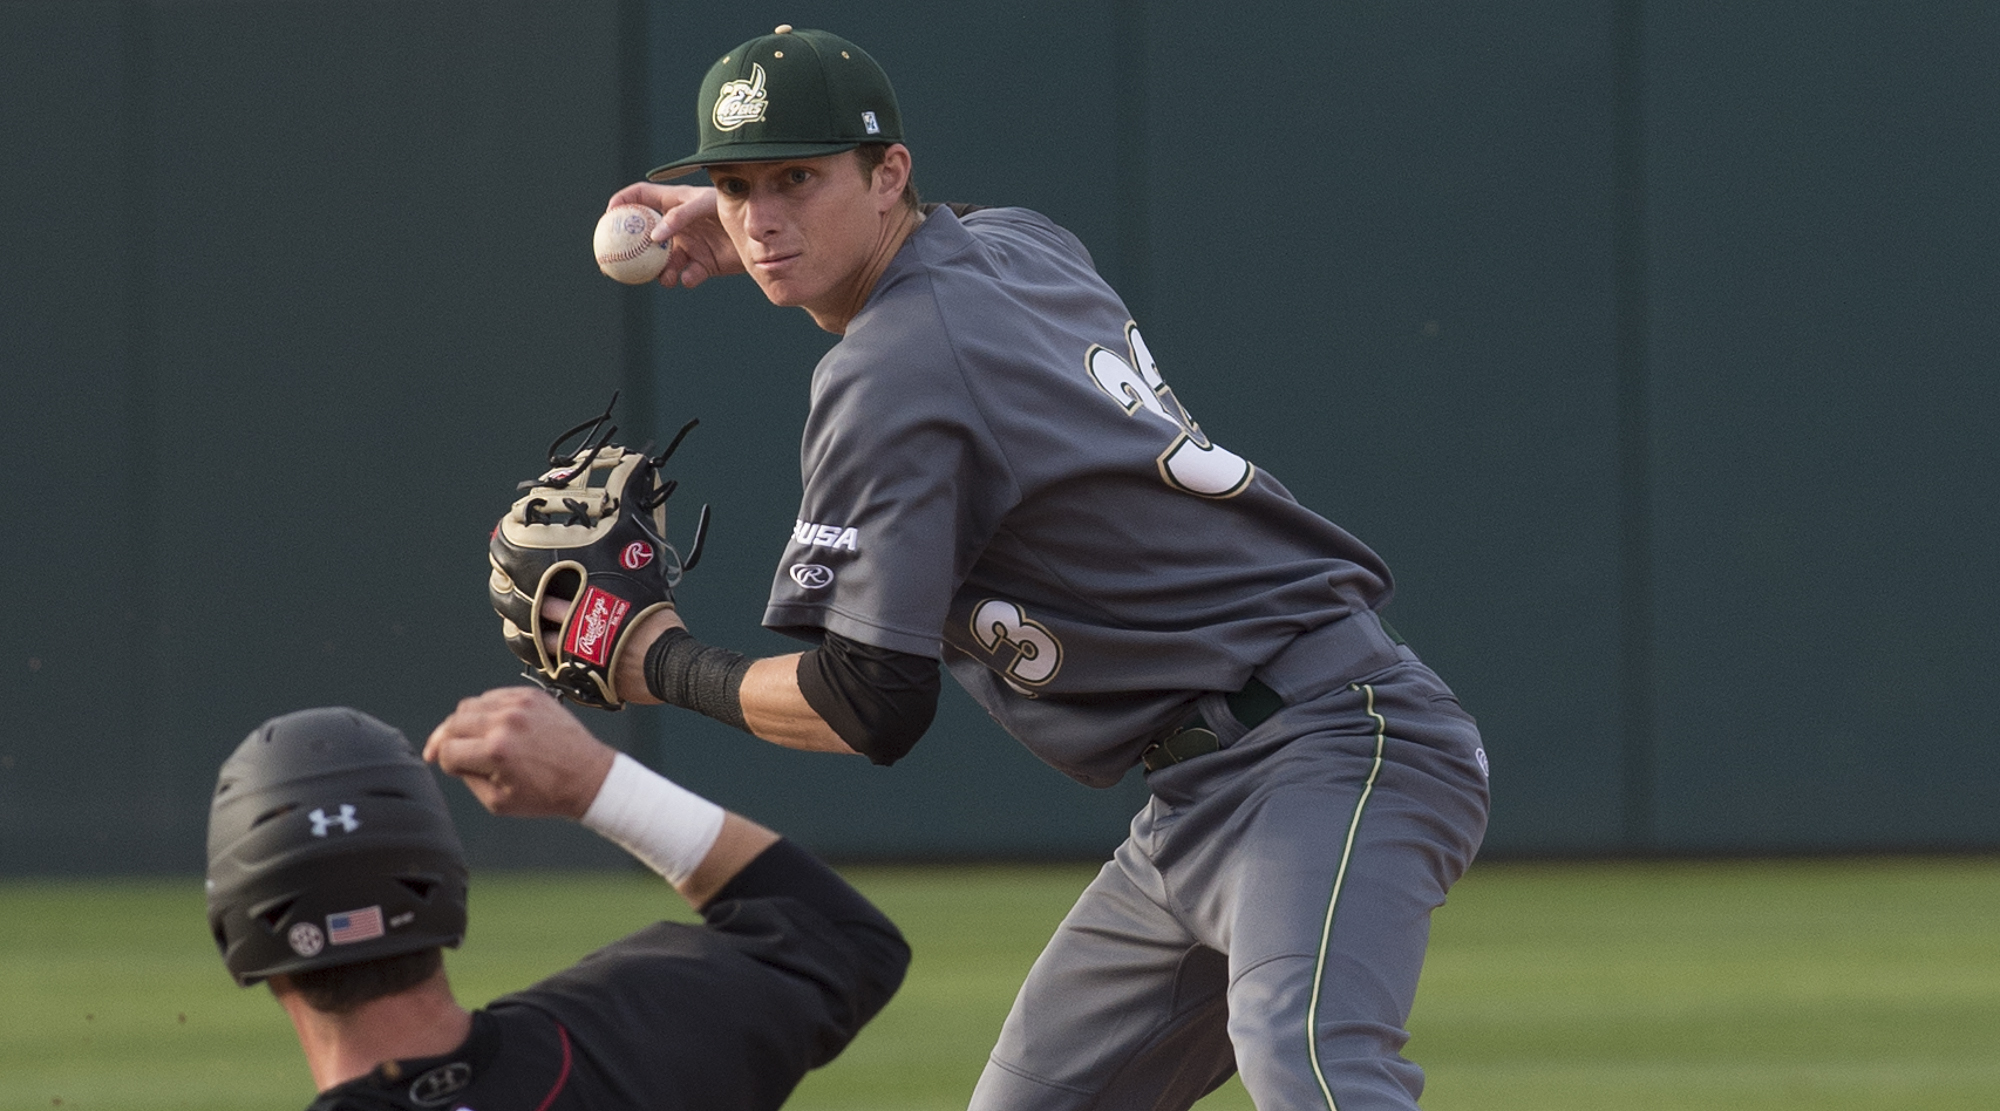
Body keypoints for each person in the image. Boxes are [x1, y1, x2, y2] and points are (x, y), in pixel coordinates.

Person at [585, 25, 1491, 1111]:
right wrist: (761, 228)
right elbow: (952, 237)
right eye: (734, 187)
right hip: (1200, 790)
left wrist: (652, 661)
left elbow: (867, 704)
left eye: (797, 178)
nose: (762, 214)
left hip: (1328, 742)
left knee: (1309, 1064)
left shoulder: (890, 371)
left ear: (888, 176)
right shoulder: (1015, 243)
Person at [203, 690, 909, 1109]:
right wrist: (594, 781)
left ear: (234, 935)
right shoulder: (621, 1039)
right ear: (447, 886)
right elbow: (839, 937)